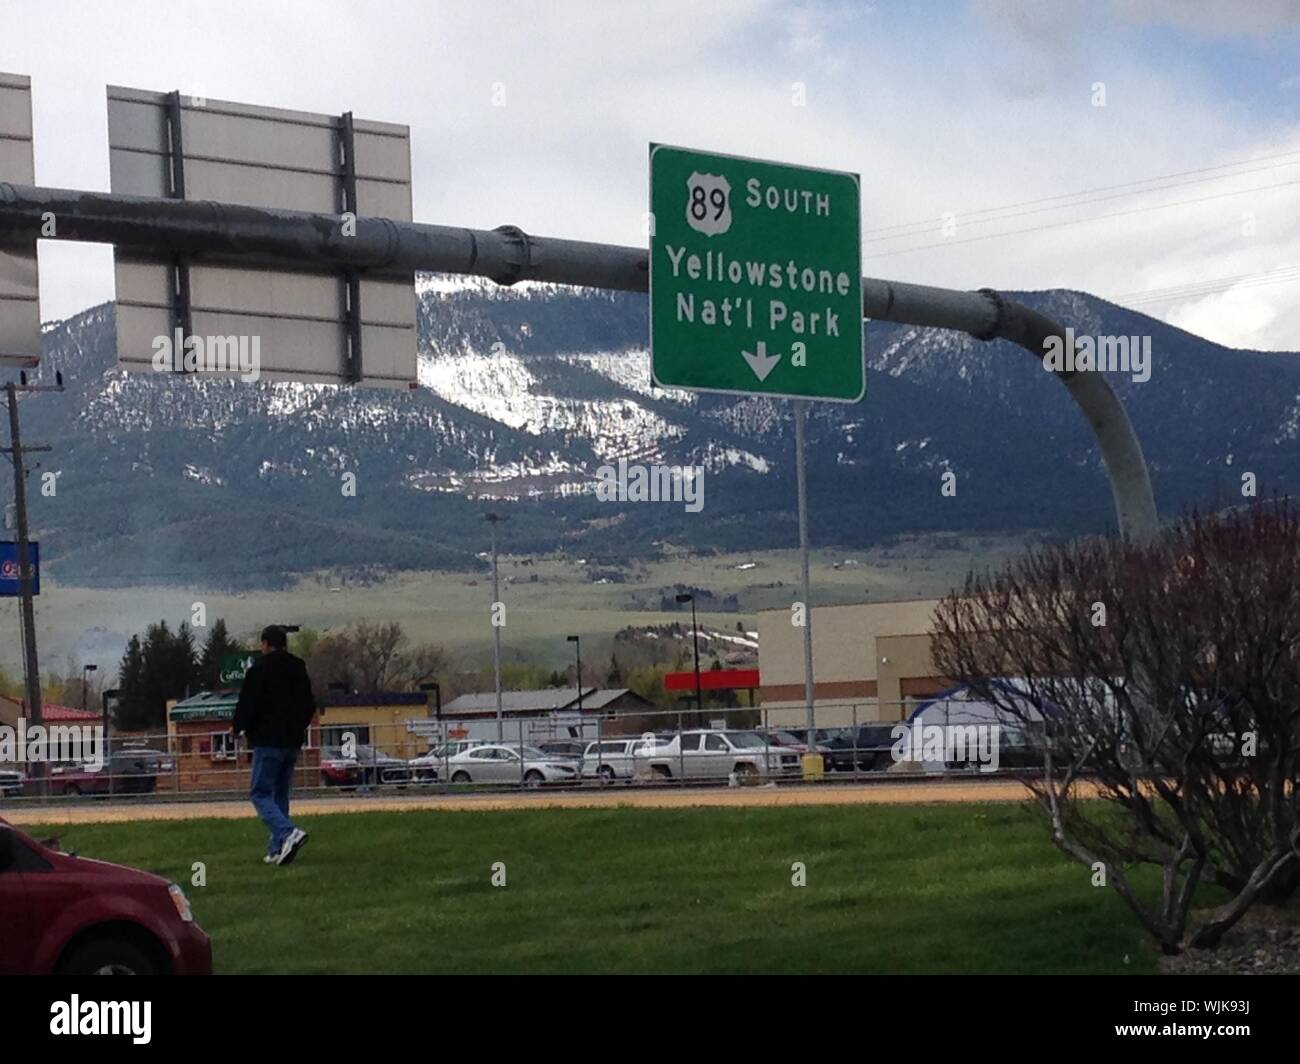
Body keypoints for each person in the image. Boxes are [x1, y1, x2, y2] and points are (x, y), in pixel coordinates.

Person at [232, 625, 316, 866]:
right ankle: (277, 849)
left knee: (259, 792)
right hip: (292, 741)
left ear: (266, 644)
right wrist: (299, 727)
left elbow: (248, 702)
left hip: (268, 741)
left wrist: (238, 727)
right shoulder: (298, 667)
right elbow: (309, 704)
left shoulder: (259, 669)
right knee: (280, 793)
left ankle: (288, 832)